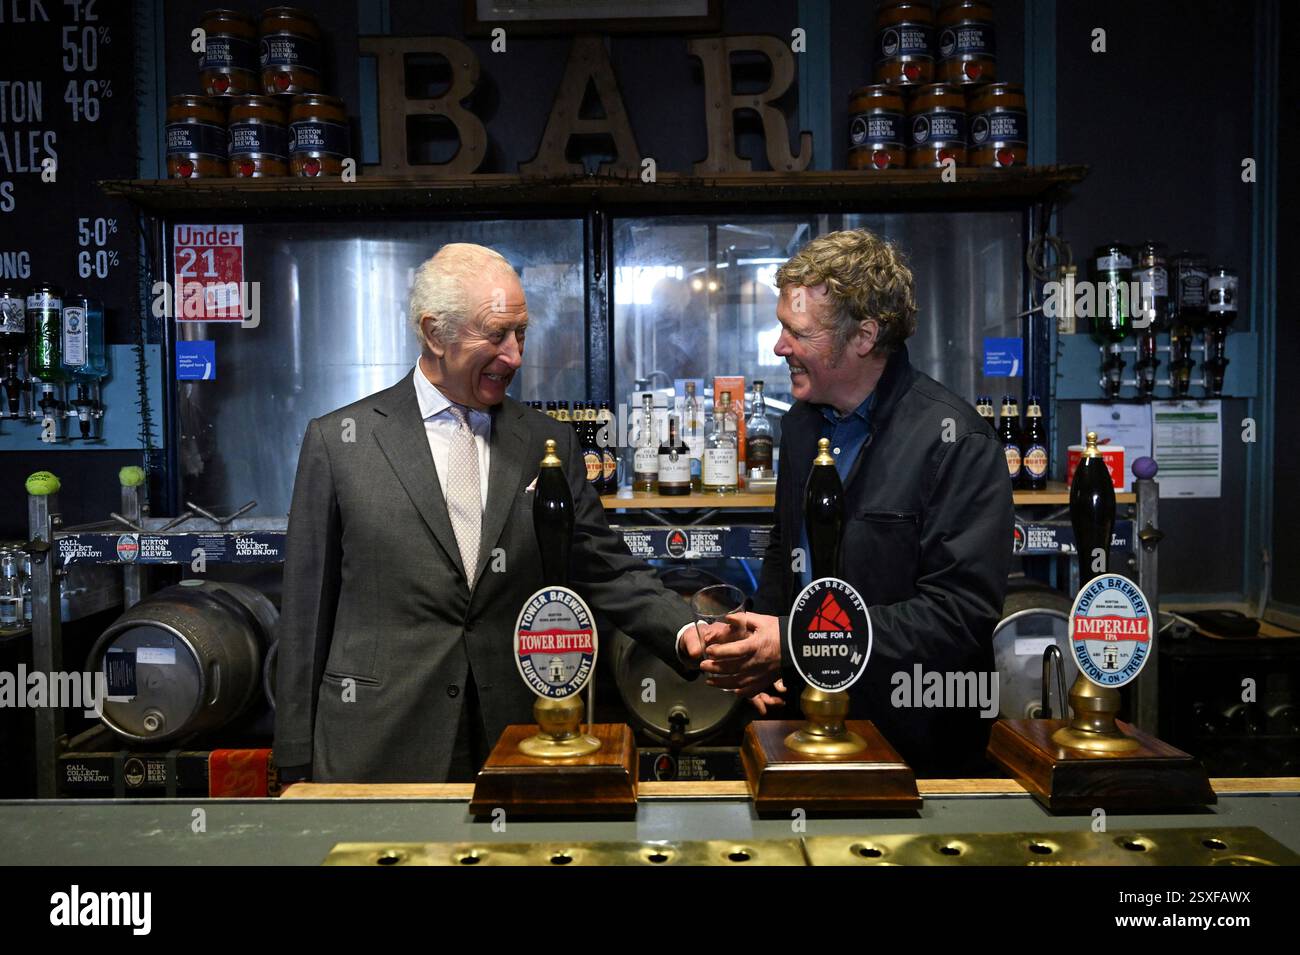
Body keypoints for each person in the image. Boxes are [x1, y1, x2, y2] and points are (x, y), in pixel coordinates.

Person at [274, 243, 725, 783]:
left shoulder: (546, 443)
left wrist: (689, 633)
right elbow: (307, 611)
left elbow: (604, 567)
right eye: (496, 336)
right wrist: (293, 754)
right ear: (435, 333)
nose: (515, 356)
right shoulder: (341, 441)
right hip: (379, 742)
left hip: (516, 734)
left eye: (521, 334)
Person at [701, 229, 1013, 776]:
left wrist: (797, 644)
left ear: (864, 336)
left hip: (913, 749)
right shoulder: (802, 426)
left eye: (797, 332)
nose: (779, 348)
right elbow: (786, 550)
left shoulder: (956, 440)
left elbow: (958, 617)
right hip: (804, 729)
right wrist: (764, 649)